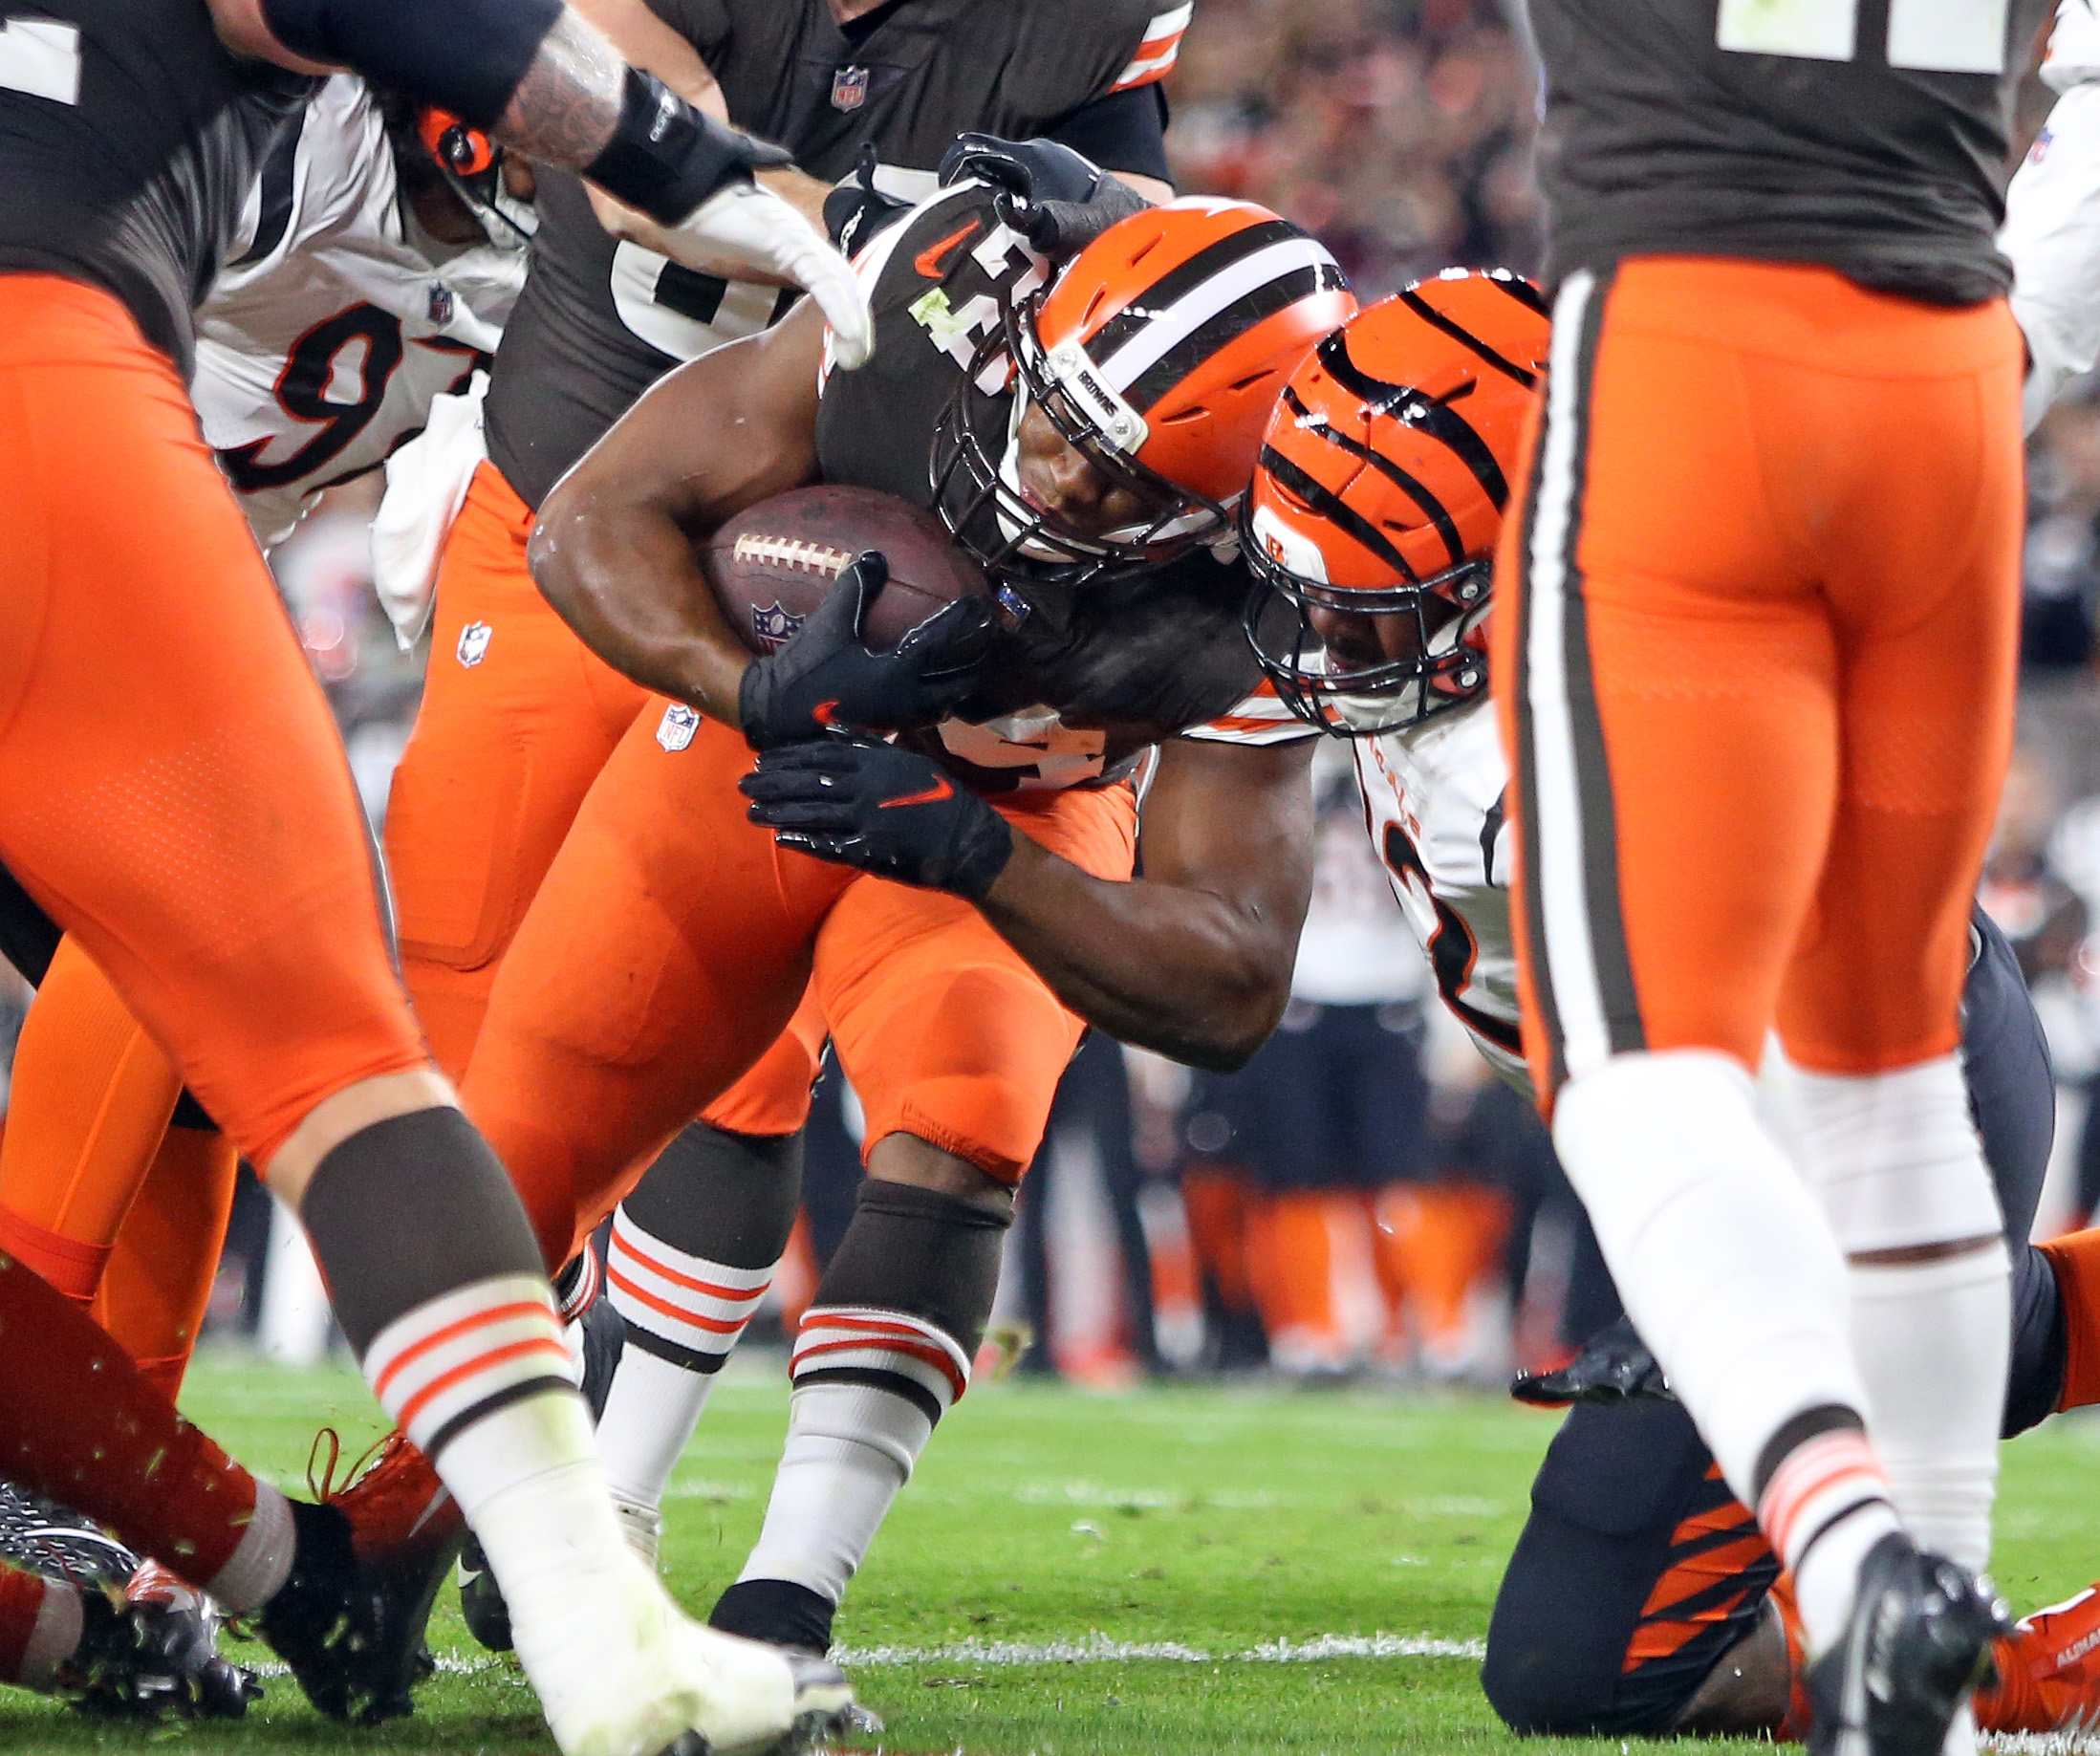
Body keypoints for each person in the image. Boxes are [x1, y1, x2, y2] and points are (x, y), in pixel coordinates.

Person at [0, 0, 874, 1745]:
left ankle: (100, 1561)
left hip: (112, 539)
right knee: (299, 1036)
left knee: (191, 1061)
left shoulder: (437, 250)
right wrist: (679, 152)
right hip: (67, 491)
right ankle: (529, 1606)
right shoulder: (342, 153)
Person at [458, 175, 1350, 1658]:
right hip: (766, 742)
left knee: (965, 1111)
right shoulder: (928, 306)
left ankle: (788, 1596)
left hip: (1016, 807)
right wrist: (752, 686)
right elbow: (591, 519)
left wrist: (970, 853)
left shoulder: (1269, 583)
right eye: (1060, 416)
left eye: (1122, 479)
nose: (1059, 478)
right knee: (529, 1137)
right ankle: (533, 1504)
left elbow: (1232, 985)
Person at [1241, 281, 2100, 1742]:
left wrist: (1722, 1253)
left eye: (1371, 617)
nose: (1325, 648)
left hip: (1839, 1088)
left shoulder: (1597, 738)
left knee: (1590, 1665)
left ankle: (2039, 1676)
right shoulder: (1537, 560)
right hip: (1776, 1063)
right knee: (1927, 1326)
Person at [1491, 2, 2050, 1745]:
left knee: (1638, 1068)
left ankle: (1851, 1537)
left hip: (1686, 345)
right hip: (1949, 370)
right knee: (1888, 1076)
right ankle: (1927, 1682)